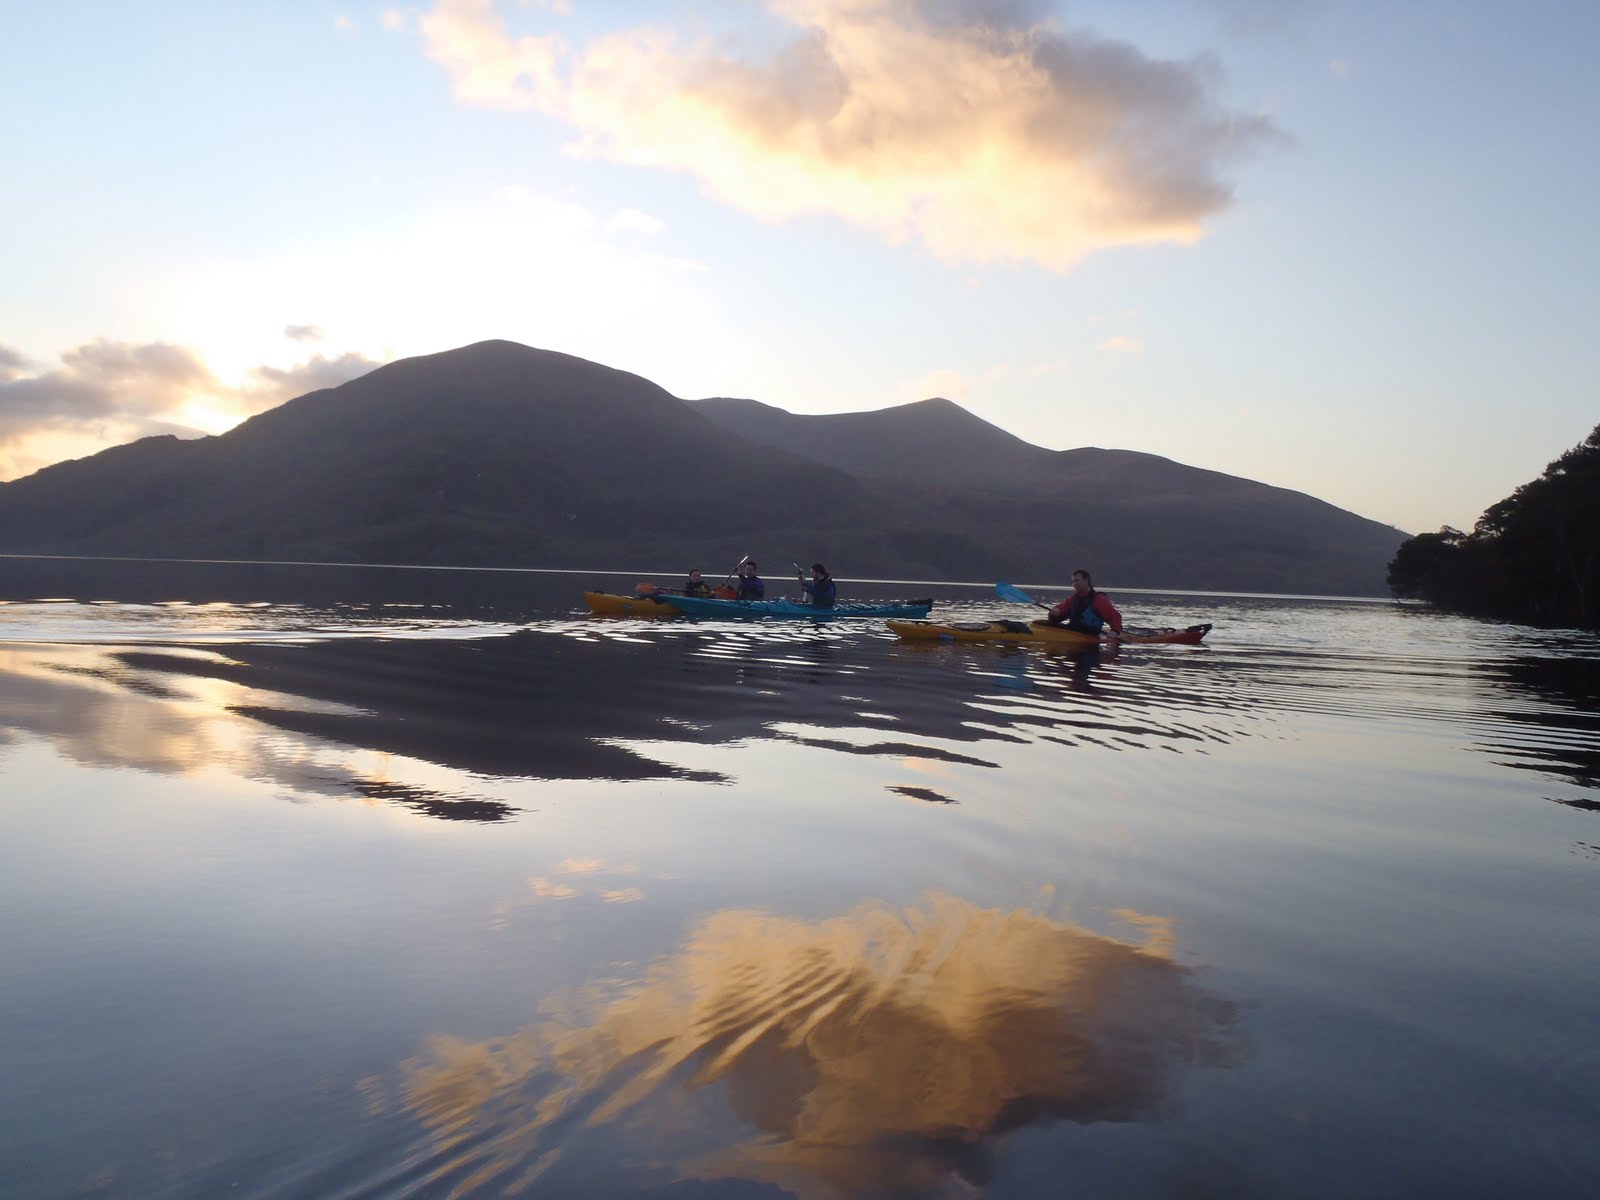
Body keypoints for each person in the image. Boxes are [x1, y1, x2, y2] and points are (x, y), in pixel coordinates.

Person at [1046, 568, 1122, 638]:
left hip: (1089, 638)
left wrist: (1114, 631)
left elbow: (1115, 617)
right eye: (1073, 581)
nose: (1074, 584)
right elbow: (1059, 612)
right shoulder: (1073, 599)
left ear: (1086, 580)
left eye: (1077, 580)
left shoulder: (1098, 600)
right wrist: (1054, 613)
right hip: (1073, 633)